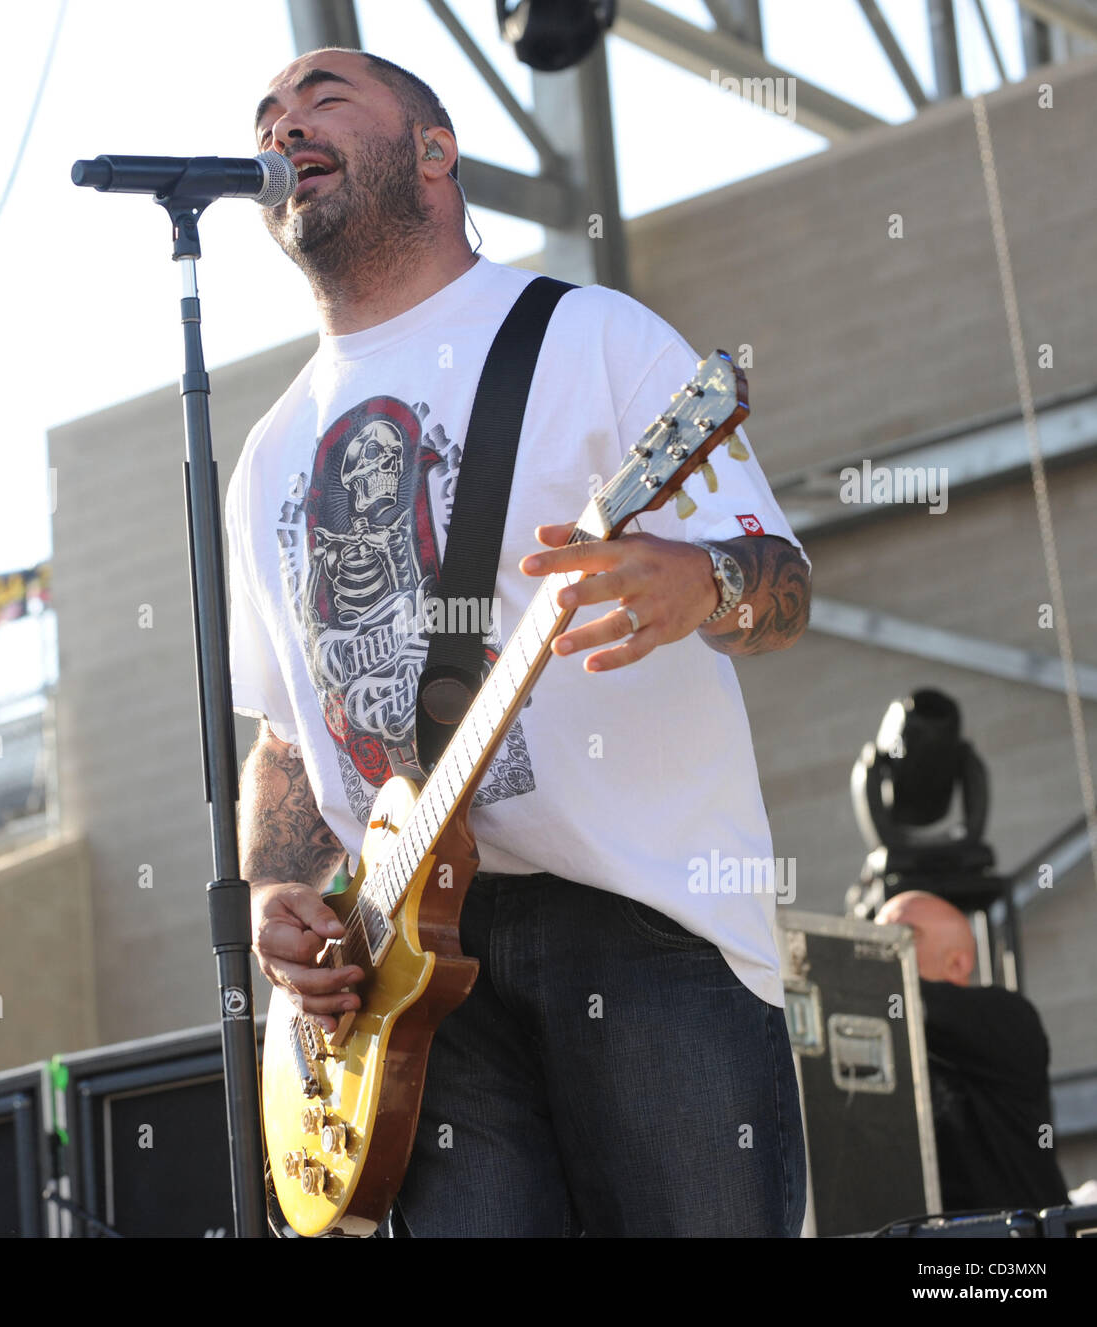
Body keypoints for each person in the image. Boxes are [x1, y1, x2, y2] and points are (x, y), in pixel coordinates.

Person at [228, 47, 812, 1236]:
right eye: (267, 116)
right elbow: (287, 740)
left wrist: (701, 584)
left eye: (324, 98)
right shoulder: (266, 454)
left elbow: (783, 585)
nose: (286, 122)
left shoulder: (588, 337)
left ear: (434, 152)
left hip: (643, 928)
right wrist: (279, 898)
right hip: (404, 980)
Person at [874, 891, 1069, 1214]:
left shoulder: (1009, 1016)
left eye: (901, 938)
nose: (881, 950)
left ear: (958, 962)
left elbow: (905, 996)